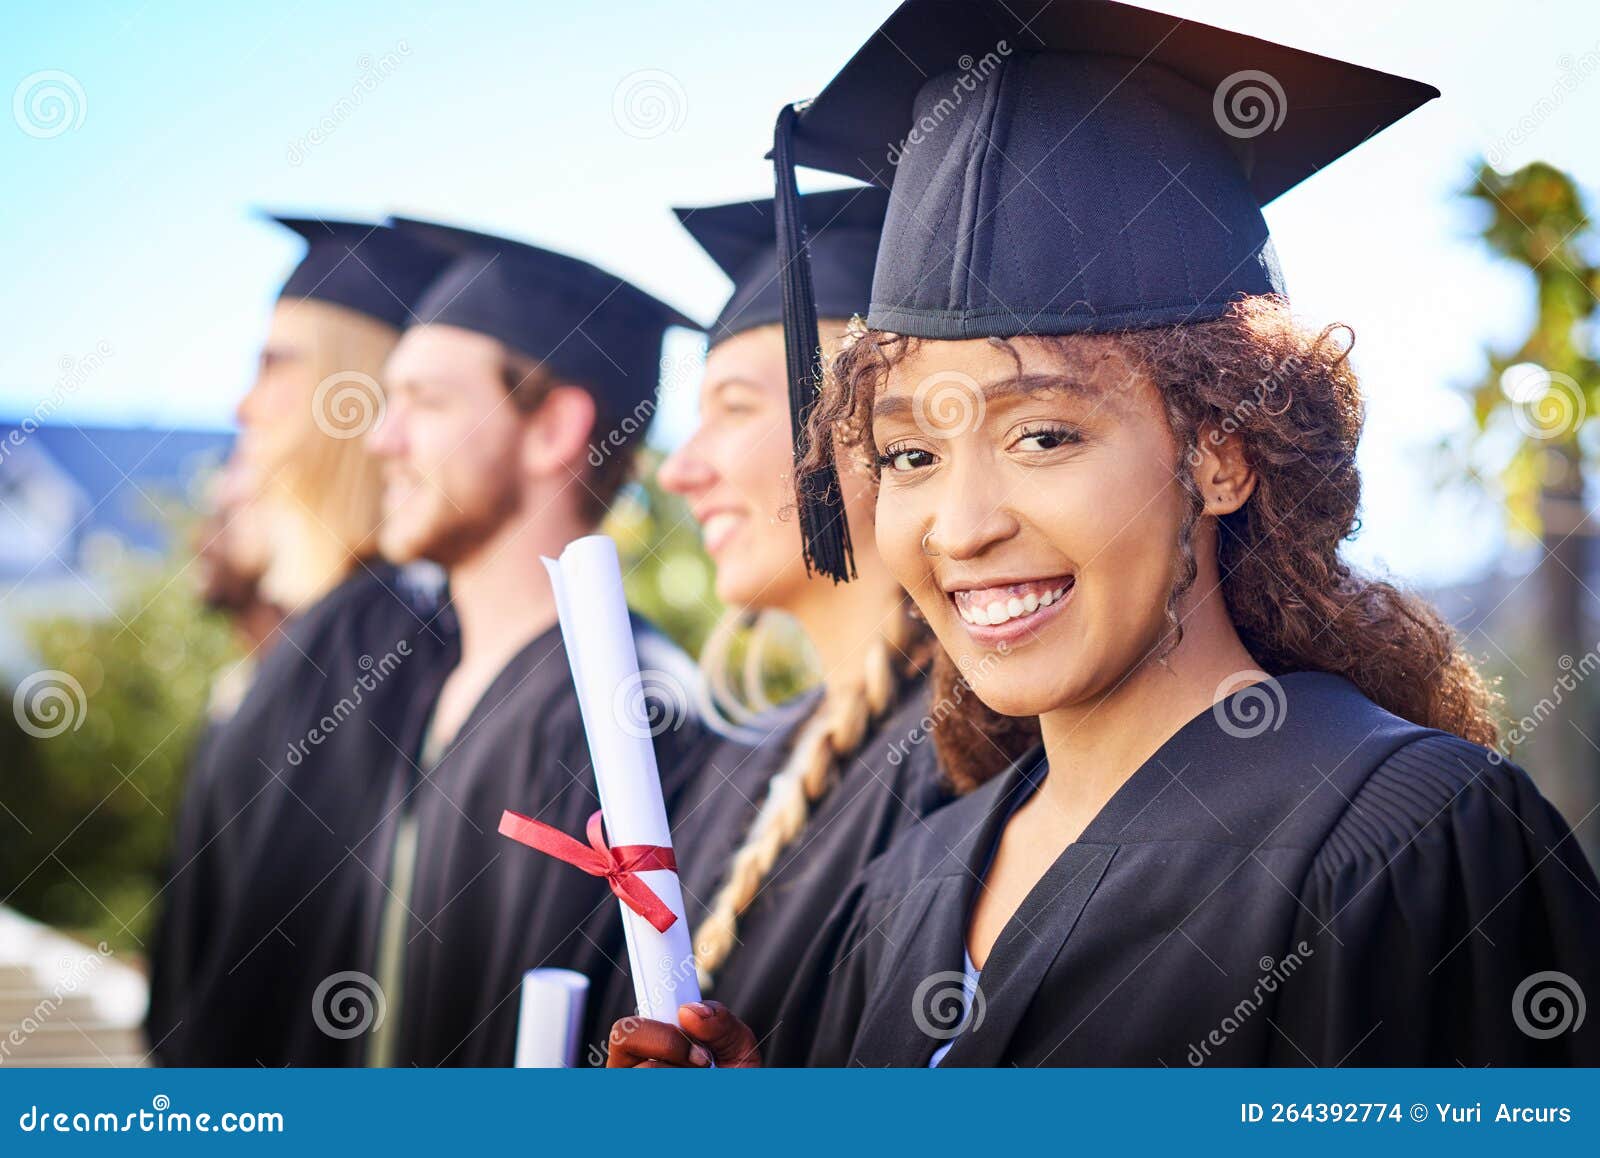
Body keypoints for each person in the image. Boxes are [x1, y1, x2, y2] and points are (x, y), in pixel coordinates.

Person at [608, 0, 1600, 1068]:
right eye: (909, 457)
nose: (965, 526)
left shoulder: (1405, 841)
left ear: (1221, 453)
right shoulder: (911, 883)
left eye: (1042, 436)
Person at [597, 189, 1032, 1063]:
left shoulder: (973, 756)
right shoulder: (738, 769)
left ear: (872, 424)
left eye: (733, 406)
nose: (679, 469)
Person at [358, 217, 707, 1066]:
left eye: (426, 403)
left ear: (553, 430)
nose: (382, 441)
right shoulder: (422, 681)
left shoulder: (632, 716)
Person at [148, 217, 456, 1065]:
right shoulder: (315, 633)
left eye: (277, 363)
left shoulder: (385, 636)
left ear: (348, 384)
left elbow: (297, 968)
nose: (245, 402)